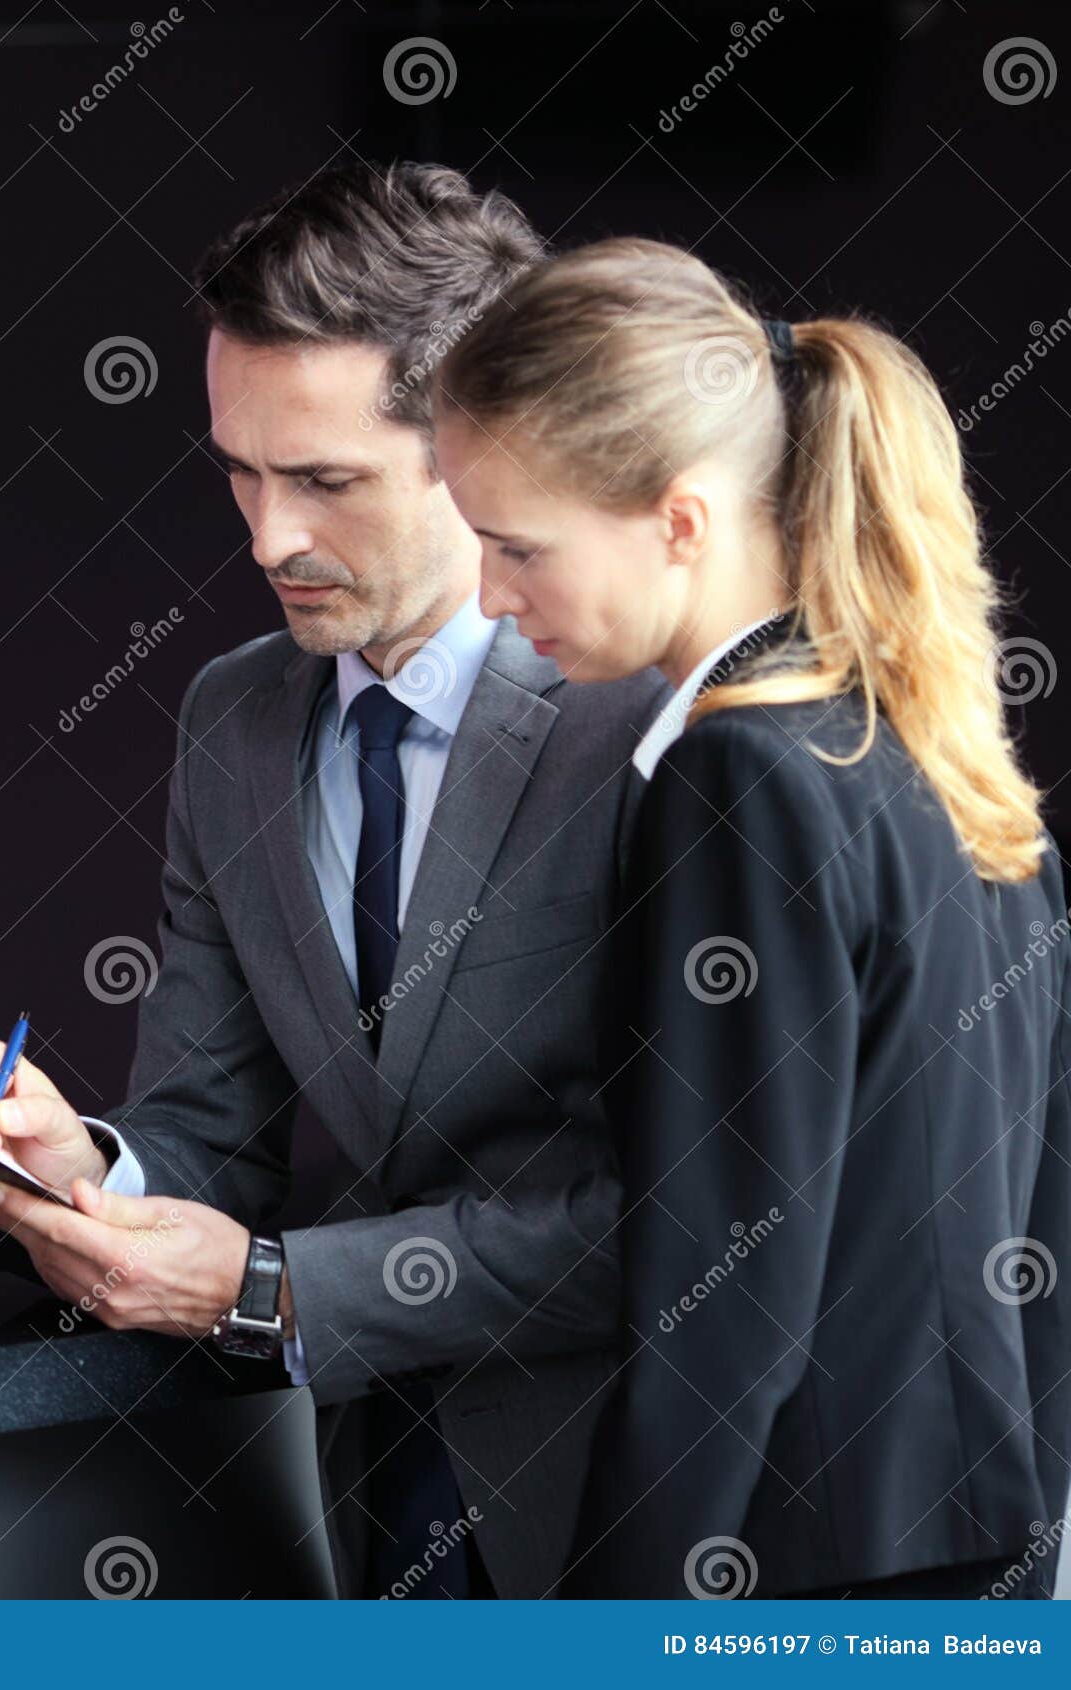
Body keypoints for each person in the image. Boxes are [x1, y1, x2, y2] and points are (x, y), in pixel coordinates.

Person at [0, 162, 669, 1599]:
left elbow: (687, 1209)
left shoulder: (651, 720)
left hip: (638, 1500)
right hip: (341, 1497)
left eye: (325, 481)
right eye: (239, 471)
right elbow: (216, 1118)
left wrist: (275, 1292)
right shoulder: (234, 715)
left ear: (489, 445)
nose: (266, 538)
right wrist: (94, 1167)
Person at [433, 235, 1071, 1599]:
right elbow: (1045, 1209)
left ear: (680, 518)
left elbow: (727, 1293)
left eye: (515, 546)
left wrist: (608, 1632)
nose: (490, 596)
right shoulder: (948, 757)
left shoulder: (737, 779)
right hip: (979, 1538)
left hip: (795, 1569)